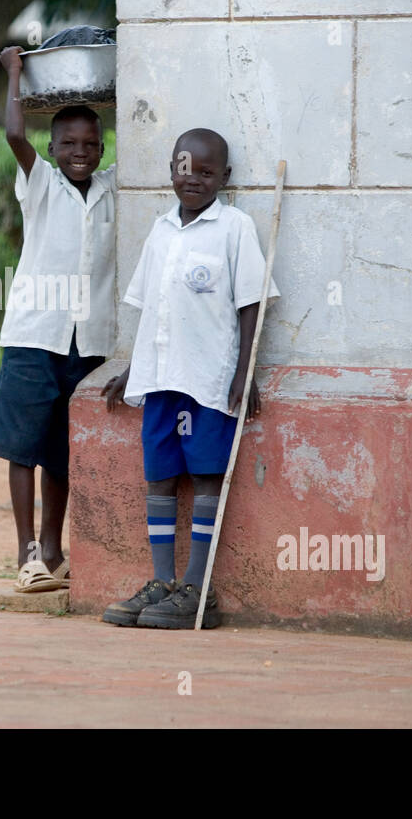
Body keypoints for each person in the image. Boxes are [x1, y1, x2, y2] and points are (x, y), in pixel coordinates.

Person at [100, 128, 279, 628]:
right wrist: (133, 368)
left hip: (208, 378)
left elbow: (250, 304)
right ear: (170, 171)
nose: (193, 179)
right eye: (185, 169)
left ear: (225, 176)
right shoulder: (160, 230)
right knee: (159, 474)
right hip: (160, 376)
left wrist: (245, 373)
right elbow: (154, 307)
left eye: (206, 172)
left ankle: (197, 592)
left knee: (204, 473)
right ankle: (162, 583)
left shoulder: (234, 228)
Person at [0, 46, 117, 593]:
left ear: (102, 146)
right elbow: (15, 135)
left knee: (63, 451)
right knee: (24, 445)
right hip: (34, 335)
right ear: (51, 148)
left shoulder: (113, 189)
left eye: (90, 143)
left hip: (90, 342)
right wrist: (15, 72)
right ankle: (27, 554)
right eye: (68, 144)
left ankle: (57, 553)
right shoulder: (39, 184)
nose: (80, 152)